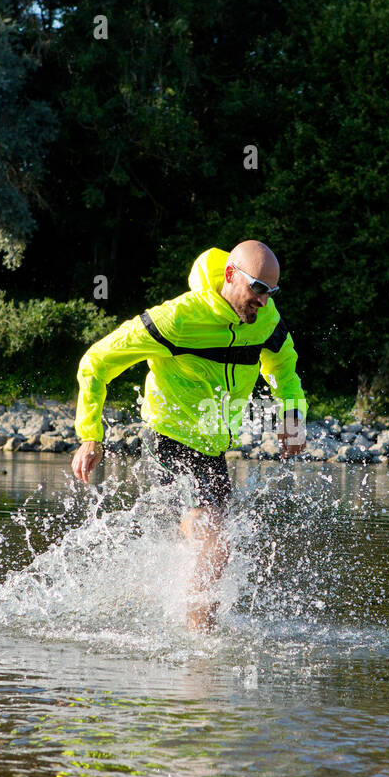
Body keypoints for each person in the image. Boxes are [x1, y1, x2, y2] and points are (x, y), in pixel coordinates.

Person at [70, 241, 308, 632]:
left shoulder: (263, 318)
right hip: (167, 440)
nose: (264, 302)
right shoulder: (177, 319)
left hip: (212, 449)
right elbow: (97, 360)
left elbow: (283, 363)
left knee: (205, 550)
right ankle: (201, 653)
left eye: (272, 292)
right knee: (214, 544)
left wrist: (292, 413)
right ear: (231, 275)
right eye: (258, 289)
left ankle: (151, 618)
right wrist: (90, 435)